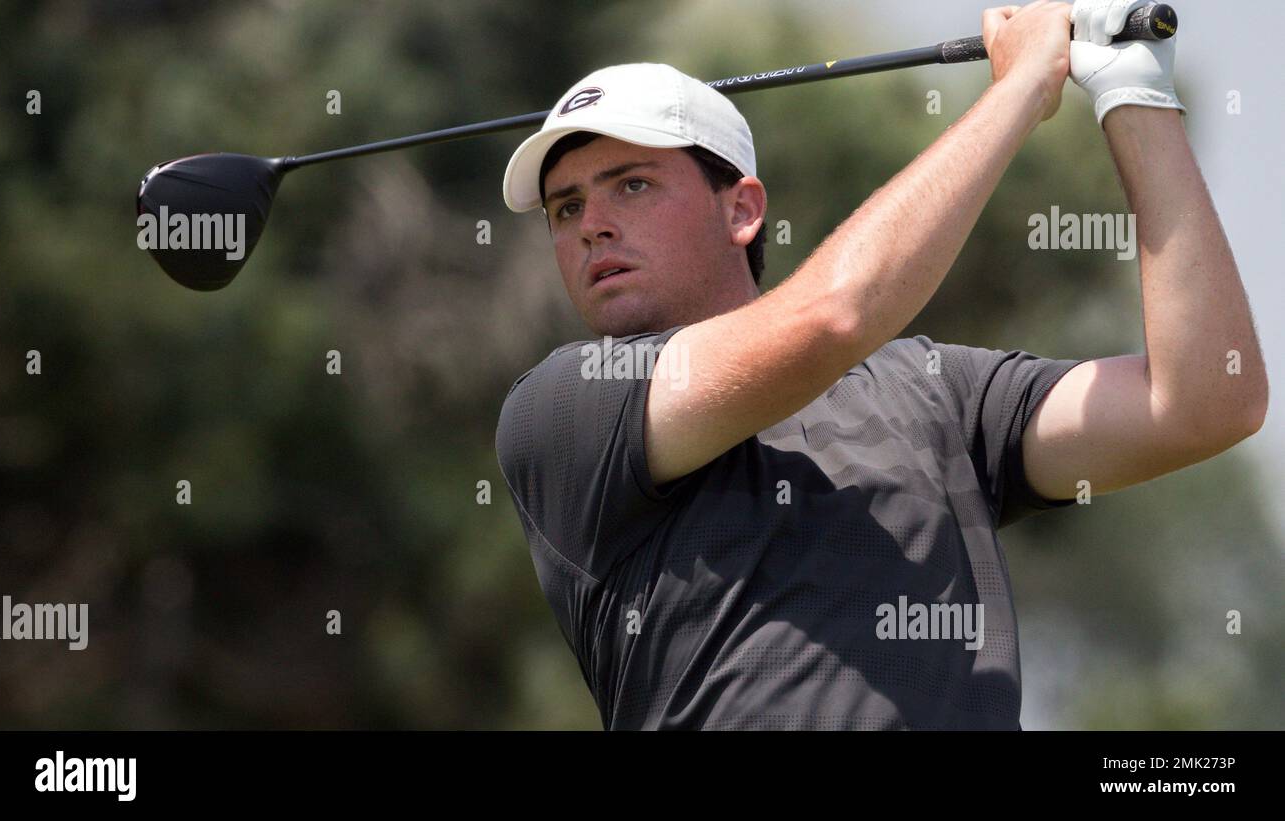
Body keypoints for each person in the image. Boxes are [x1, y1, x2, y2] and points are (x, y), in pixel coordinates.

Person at [494, 0, 1268, 729]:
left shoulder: (937, 391)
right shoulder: (565, 408)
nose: (592, 226)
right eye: (566, 208)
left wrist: (1134, 92)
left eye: (631, 186)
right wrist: (1024, 86)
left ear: (741, 210)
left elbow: (1206, 401)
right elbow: (834, 317)